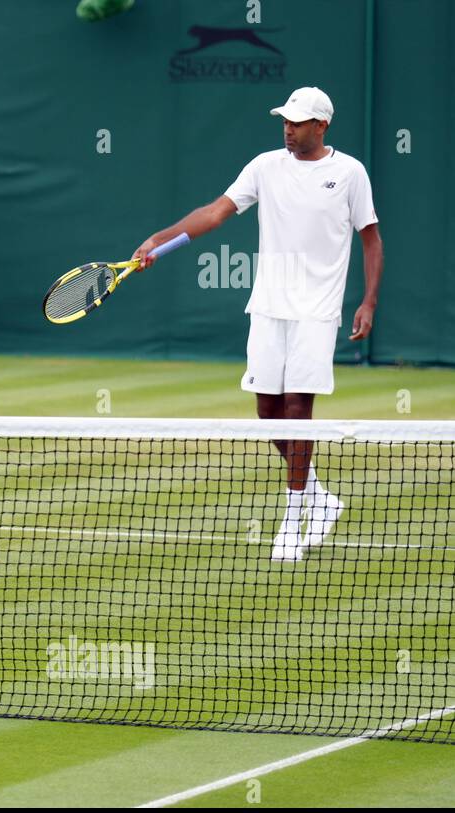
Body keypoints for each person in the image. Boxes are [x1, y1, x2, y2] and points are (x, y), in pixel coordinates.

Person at [133, 86, 382, 562]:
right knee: (268, 412)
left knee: (297, 409)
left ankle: (293, 518)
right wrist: (159, 240)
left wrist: (368, 302)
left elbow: (371, 239)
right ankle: (320, 499)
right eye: (285, 120)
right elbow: (215, 213)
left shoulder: (350, 173)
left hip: (316, 309)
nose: (288, 128)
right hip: (267, 305)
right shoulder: (265, 166)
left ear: (322, 125)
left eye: (298, 121)